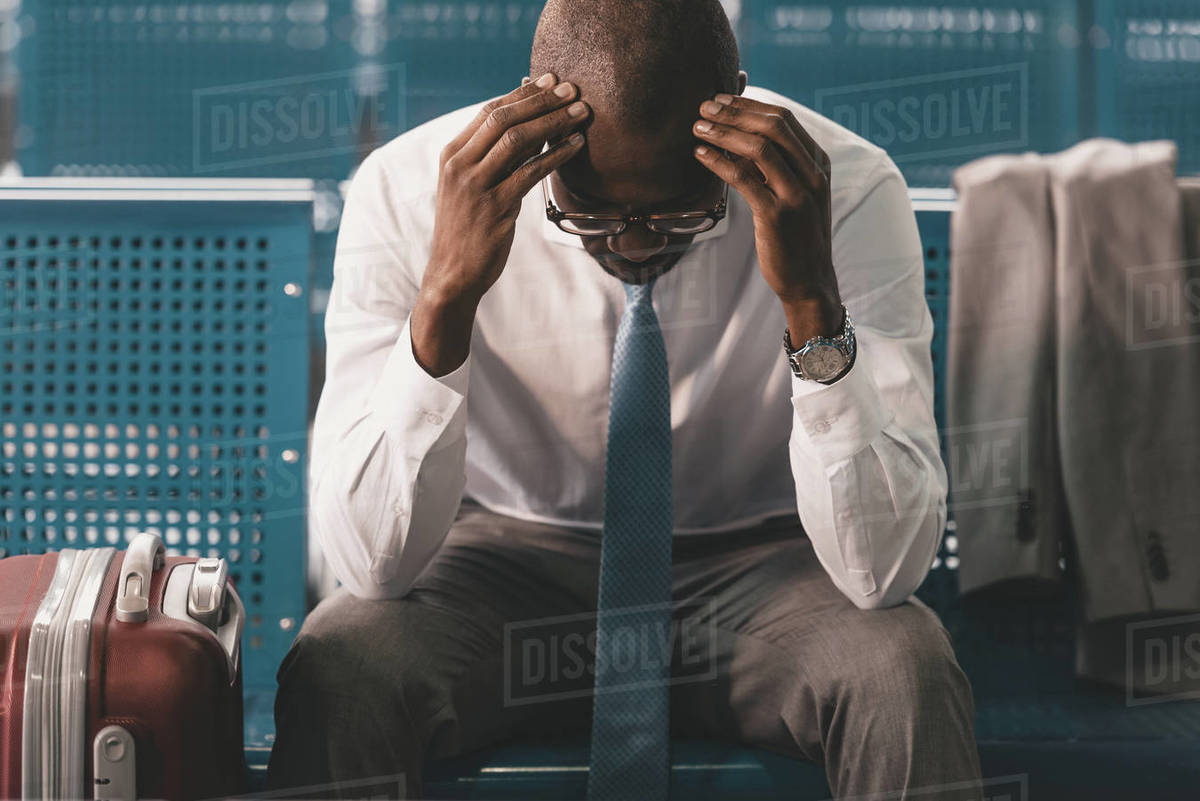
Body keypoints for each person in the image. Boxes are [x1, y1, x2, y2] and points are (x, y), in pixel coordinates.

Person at [269, 0, 982, 798]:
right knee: (341, 666)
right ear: (541, 125)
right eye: (594, 216)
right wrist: (444, 299)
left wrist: (812, 299)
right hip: (505, 563)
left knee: (901, 671)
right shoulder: (406, 195)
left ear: (734, 112)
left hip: (766, 570)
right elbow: (369, 563)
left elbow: (882, 572)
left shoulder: (842, 189)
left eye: (683, 213)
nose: (638, 243)